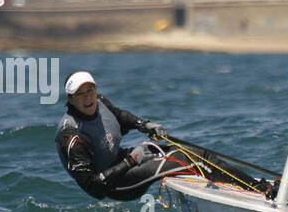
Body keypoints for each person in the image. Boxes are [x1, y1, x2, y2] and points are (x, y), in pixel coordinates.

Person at [55, 70, 271, 201]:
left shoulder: (99, 101)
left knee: (193, 153)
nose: (87, 97)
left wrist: (144, 124)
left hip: (124, 162)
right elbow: (94, 188)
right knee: (190, 159)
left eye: (90, 90)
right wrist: (131, 161)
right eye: (80, 93)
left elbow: (119, 117)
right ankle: (261, 190)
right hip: (117, 185)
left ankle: (245, 187)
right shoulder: (71, 136)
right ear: (70, 98)